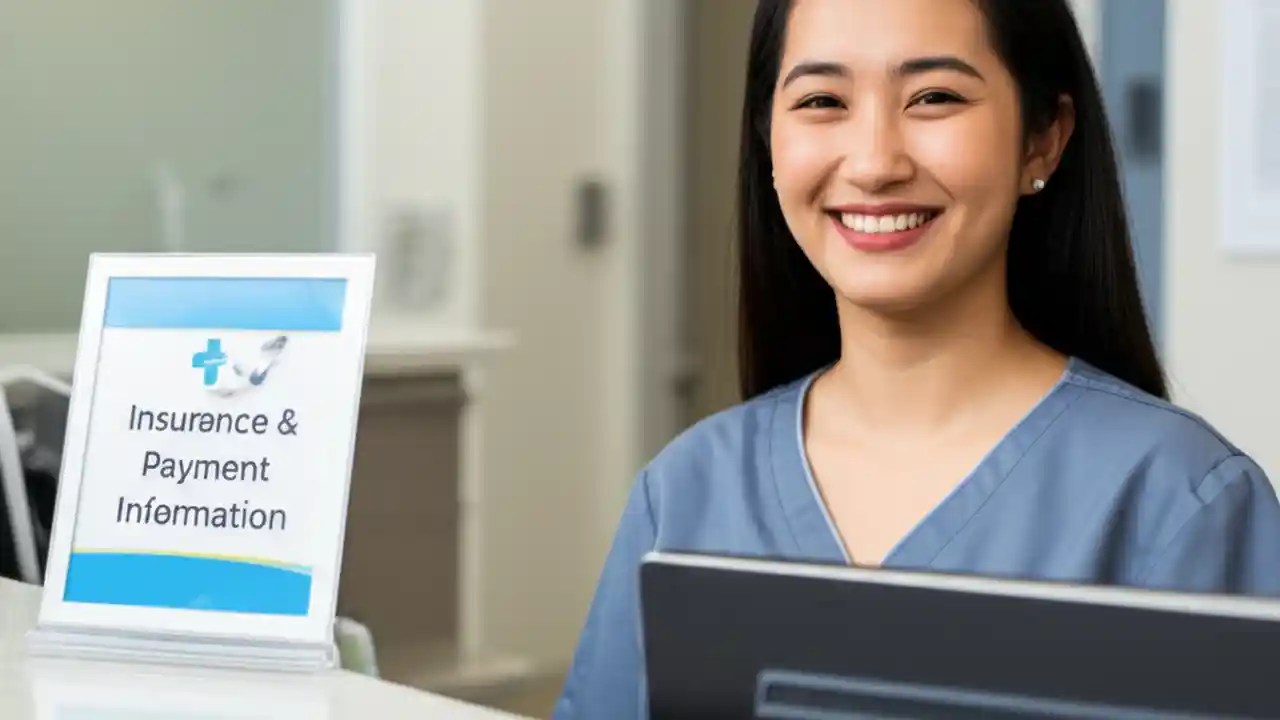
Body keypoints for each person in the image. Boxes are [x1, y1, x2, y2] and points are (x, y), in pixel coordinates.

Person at [553, 0, 1280, 717]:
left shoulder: (1181, 503)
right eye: (822, 100)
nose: (874, 164)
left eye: (934, 97)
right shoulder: (684, 495)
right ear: (768, 140)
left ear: (1043, 140)